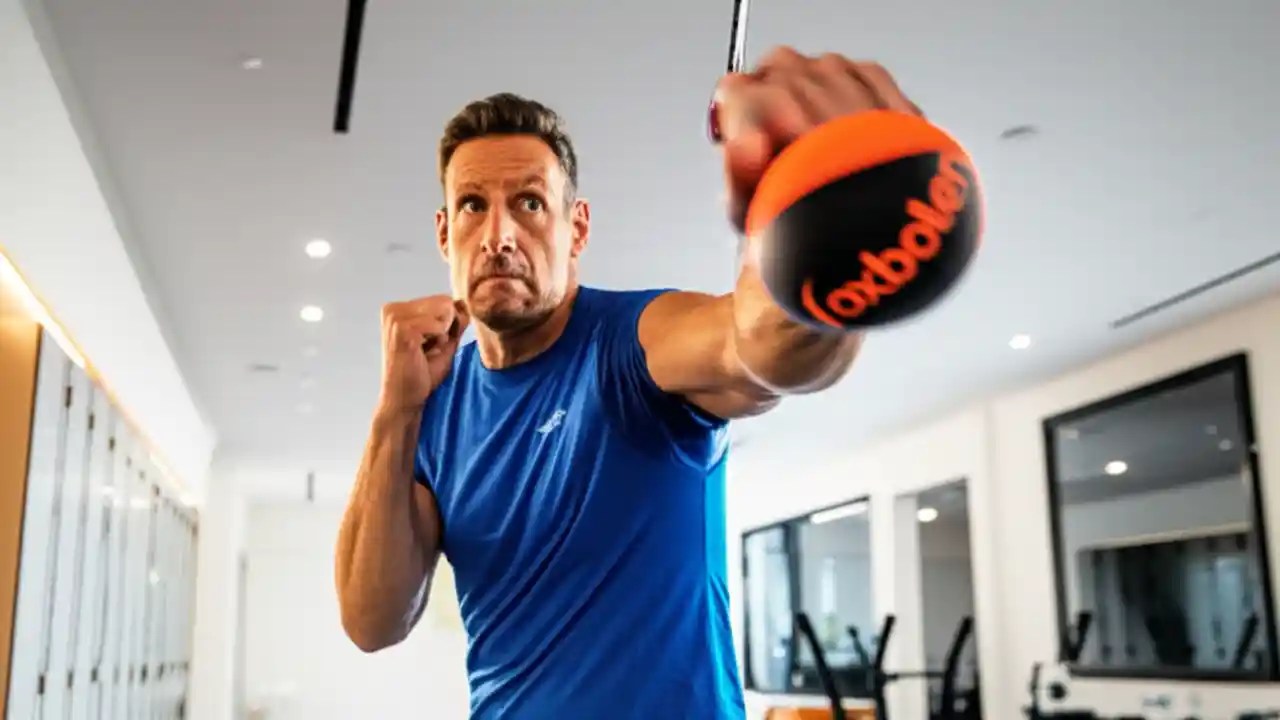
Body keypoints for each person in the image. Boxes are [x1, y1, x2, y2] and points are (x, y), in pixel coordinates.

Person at [335, 46, 921, 719]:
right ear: (444, 232)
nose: (498, 235)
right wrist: (394, 409)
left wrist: (837, 226)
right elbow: (371, 620)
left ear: (575, 228)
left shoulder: (632, 343)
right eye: (472, 206)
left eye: (529, 202)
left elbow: (767, 349)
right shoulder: (434, 409)